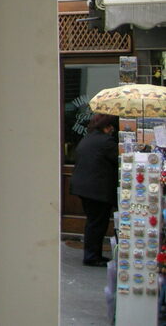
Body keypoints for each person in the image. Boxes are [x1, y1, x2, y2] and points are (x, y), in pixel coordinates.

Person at [70, 113, 119, 267]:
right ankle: (92, 257)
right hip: (96, 190)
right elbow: (119, 159)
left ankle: (93, 254)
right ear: (105, 126)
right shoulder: (106, 141)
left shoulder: (88, 138)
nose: (112, 129)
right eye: (110, 126)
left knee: (93, 222)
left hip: (85, 187)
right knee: (97, 223)